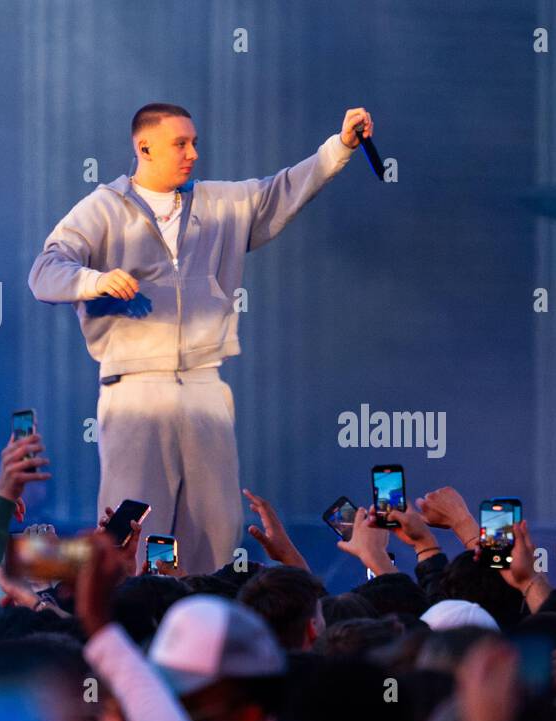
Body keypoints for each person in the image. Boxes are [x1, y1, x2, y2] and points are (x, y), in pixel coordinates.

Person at [29, 103, 374, 574]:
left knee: (216, 526)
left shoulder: (218, 203)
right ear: (143, 147)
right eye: (180, 144)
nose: (193, 153)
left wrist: (341, 147)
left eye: (194, 142)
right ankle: (134, 621)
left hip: (205, 385)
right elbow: (45, 271)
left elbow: (282, 190)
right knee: (134, 522)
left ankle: (203, 623)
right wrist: (94, 280)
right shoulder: (103, 208)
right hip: (135, 388)